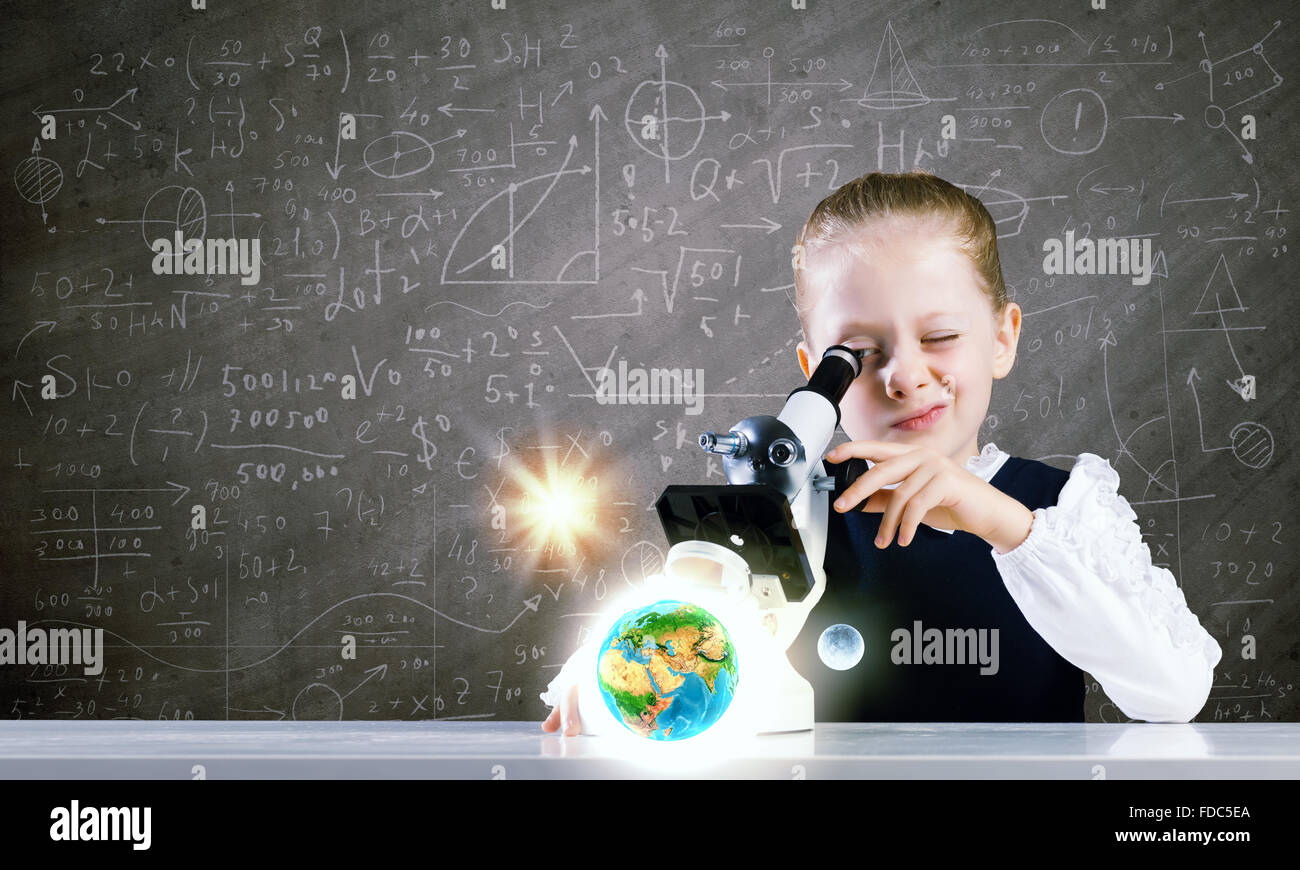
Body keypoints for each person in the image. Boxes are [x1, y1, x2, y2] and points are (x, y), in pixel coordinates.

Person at [542, 169, 1221, 735]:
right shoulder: (800, 513)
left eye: (941, 336)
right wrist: (608, 676)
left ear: (1003, 337)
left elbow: (1174, 692)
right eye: (858, 355)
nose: (903, 375)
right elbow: (689, 637)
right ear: (818, 375)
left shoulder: (1061, 511)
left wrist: (1002, 523)